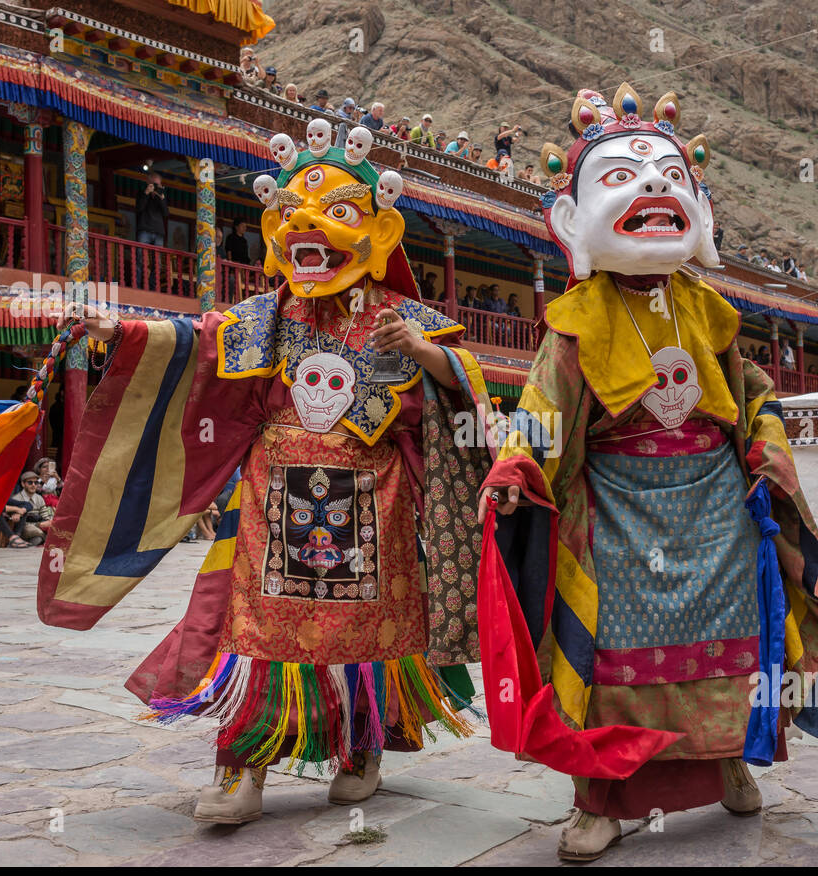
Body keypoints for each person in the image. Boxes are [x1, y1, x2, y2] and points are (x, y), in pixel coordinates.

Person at [36, 123, 494, 825]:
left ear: (378, 228)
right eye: (296, 218)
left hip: (376, 499)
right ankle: (239, 769)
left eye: (341, 213)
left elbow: (467, 389)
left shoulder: (403, 319)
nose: (311, 234)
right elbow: (198, 340)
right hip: (272, 494)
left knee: (364, 638)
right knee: (251, 633)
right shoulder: (271, 314)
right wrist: (121, 332)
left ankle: (360, 749)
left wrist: (426, 356)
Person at [477, 84, 818, 863]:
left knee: (735, 647)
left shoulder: (712, 313)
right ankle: (603, 798)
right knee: (609, 659)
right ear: (570, 221)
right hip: (615, 515)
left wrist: (769, 451)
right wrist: (518, 463)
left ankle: (731, 760)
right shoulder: (574, 323)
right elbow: (542, 409)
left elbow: (751, 396)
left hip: (714, 508)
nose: (654, 187)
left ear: (700, 208)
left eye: (669, 176)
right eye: (621, 177)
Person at [135, 171, 169, 290]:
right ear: (148, 183)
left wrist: (161, 198)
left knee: (157, 263)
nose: (155, 187)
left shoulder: (161, 196)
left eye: (158, 185)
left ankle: (152, 286)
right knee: (140, 258)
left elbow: (166, 213)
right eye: (153, 184)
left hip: (158, 232)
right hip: (145, 229)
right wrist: (146, 193)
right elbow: (139, 208)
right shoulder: (142, 193)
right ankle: (138, 285)